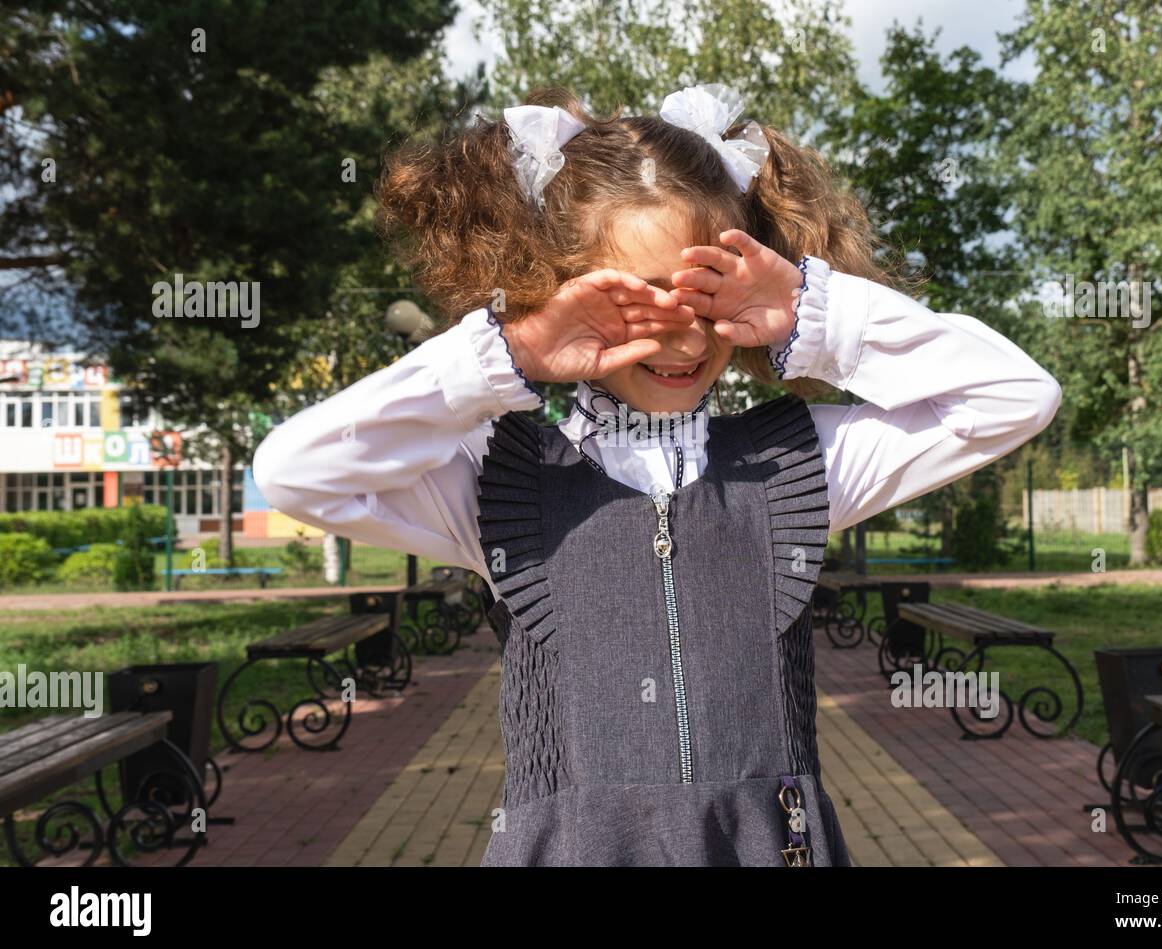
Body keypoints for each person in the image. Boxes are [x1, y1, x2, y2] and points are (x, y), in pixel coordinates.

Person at [252, 84, 1062, 866]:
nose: (680, 341)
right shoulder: (500, 486)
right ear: (558, 288)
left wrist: (815, 314)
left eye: (703, 298)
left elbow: (1015, 398)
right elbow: (297, 471)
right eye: (638, 305)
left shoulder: (794, 469)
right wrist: (515, 352)